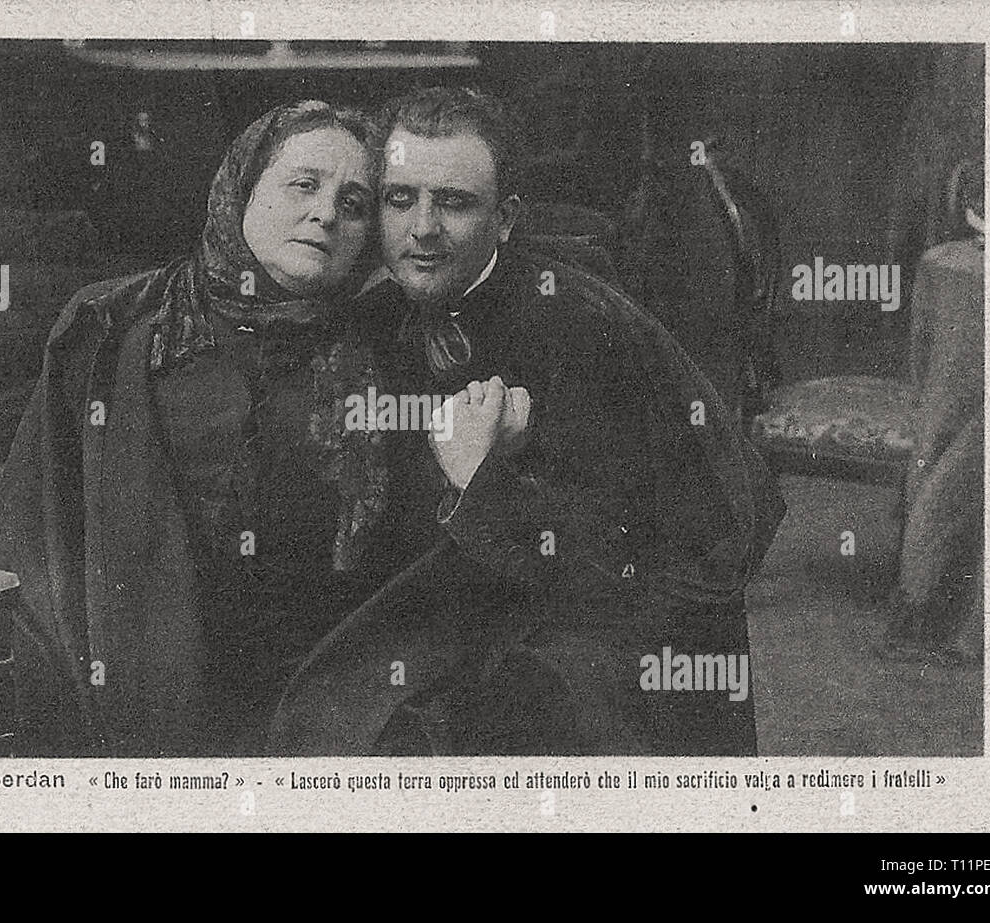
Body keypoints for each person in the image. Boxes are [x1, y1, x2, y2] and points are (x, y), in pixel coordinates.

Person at [269, 87, 787, 756]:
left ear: (506, 219)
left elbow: (634, 567)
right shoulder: (376, 315)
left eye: (454, 202)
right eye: (401, 199)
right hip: (463, 616)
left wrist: (480, 476)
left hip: (597, 655)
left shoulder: (580, 326)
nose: (422, 228)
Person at [0, 100, 400, 757]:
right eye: (303, 185)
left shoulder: (383, 357)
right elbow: (31, 544)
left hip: (316, 715)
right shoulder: (115, 328)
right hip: (135, 706)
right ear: (241, 189)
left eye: (353, 203)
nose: (325, 213)